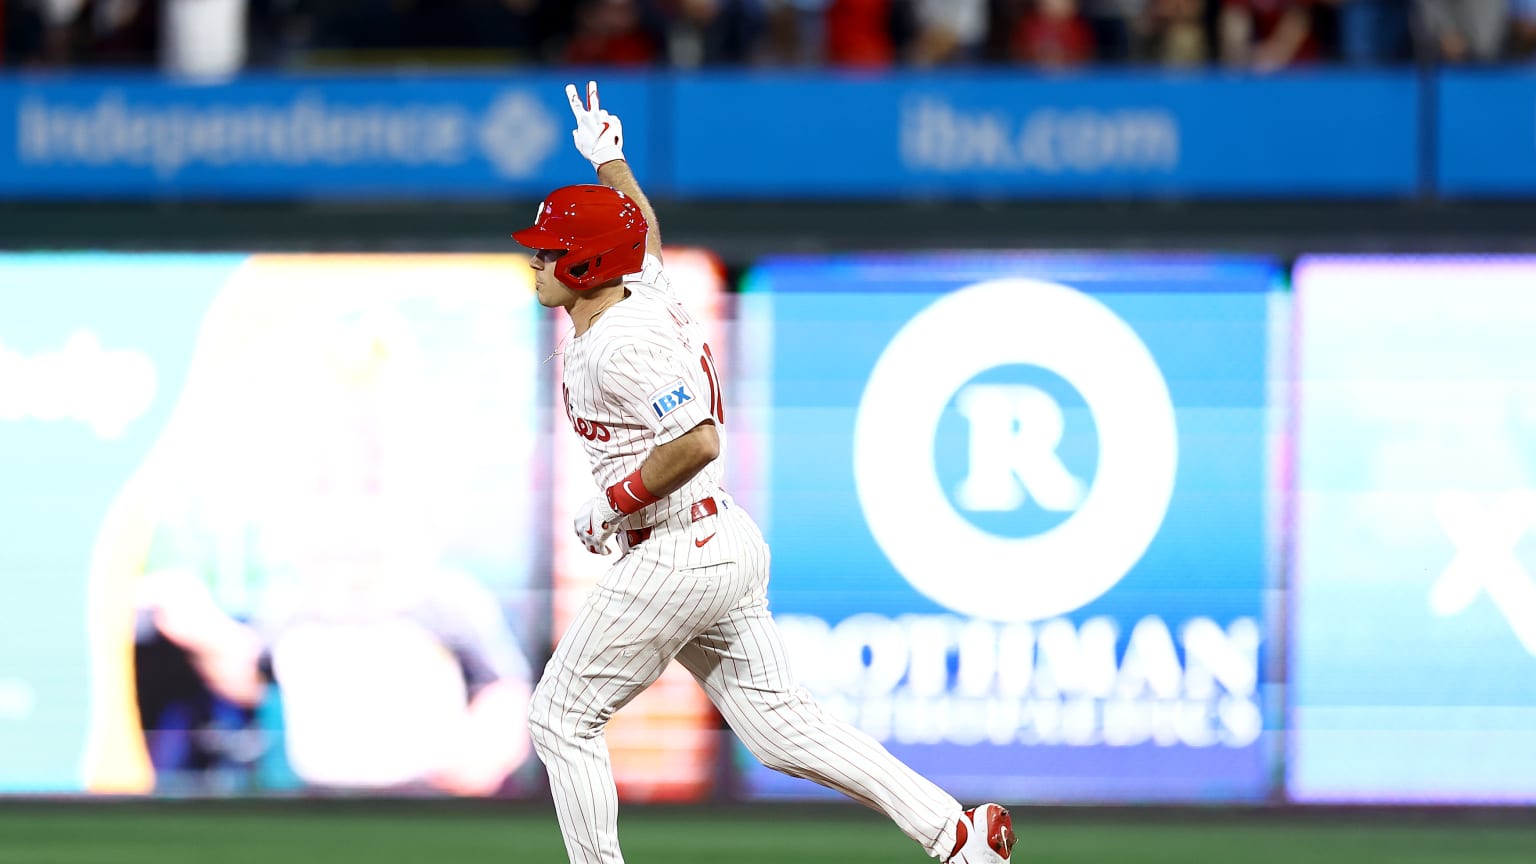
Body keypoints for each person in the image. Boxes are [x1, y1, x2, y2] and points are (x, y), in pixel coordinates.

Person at [515, 79, 1018, 864]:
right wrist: (611, 161)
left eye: (547, 249)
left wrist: (611, 503)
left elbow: (698, 440)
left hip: (673, 546)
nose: (535, 259)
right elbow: (640, 232)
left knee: (561, 716)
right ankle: (955, 832)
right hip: (718, 541)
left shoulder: (620, 341)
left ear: (583, 262)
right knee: (781, 728)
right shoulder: (634, 286)